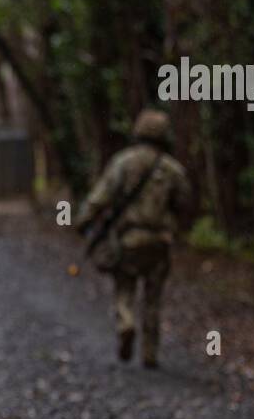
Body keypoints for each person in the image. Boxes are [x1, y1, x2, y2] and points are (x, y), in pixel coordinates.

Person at [75, 108, 191, 368]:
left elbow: (100, 196)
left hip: (128, 239)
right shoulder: (172, 168)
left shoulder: (123, 162)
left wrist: (83, 222)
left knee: (124, 289)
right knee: (153, 298)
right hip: (160, 241)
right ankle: (150, 354)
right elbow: (185, 203)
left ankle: (126, 323)